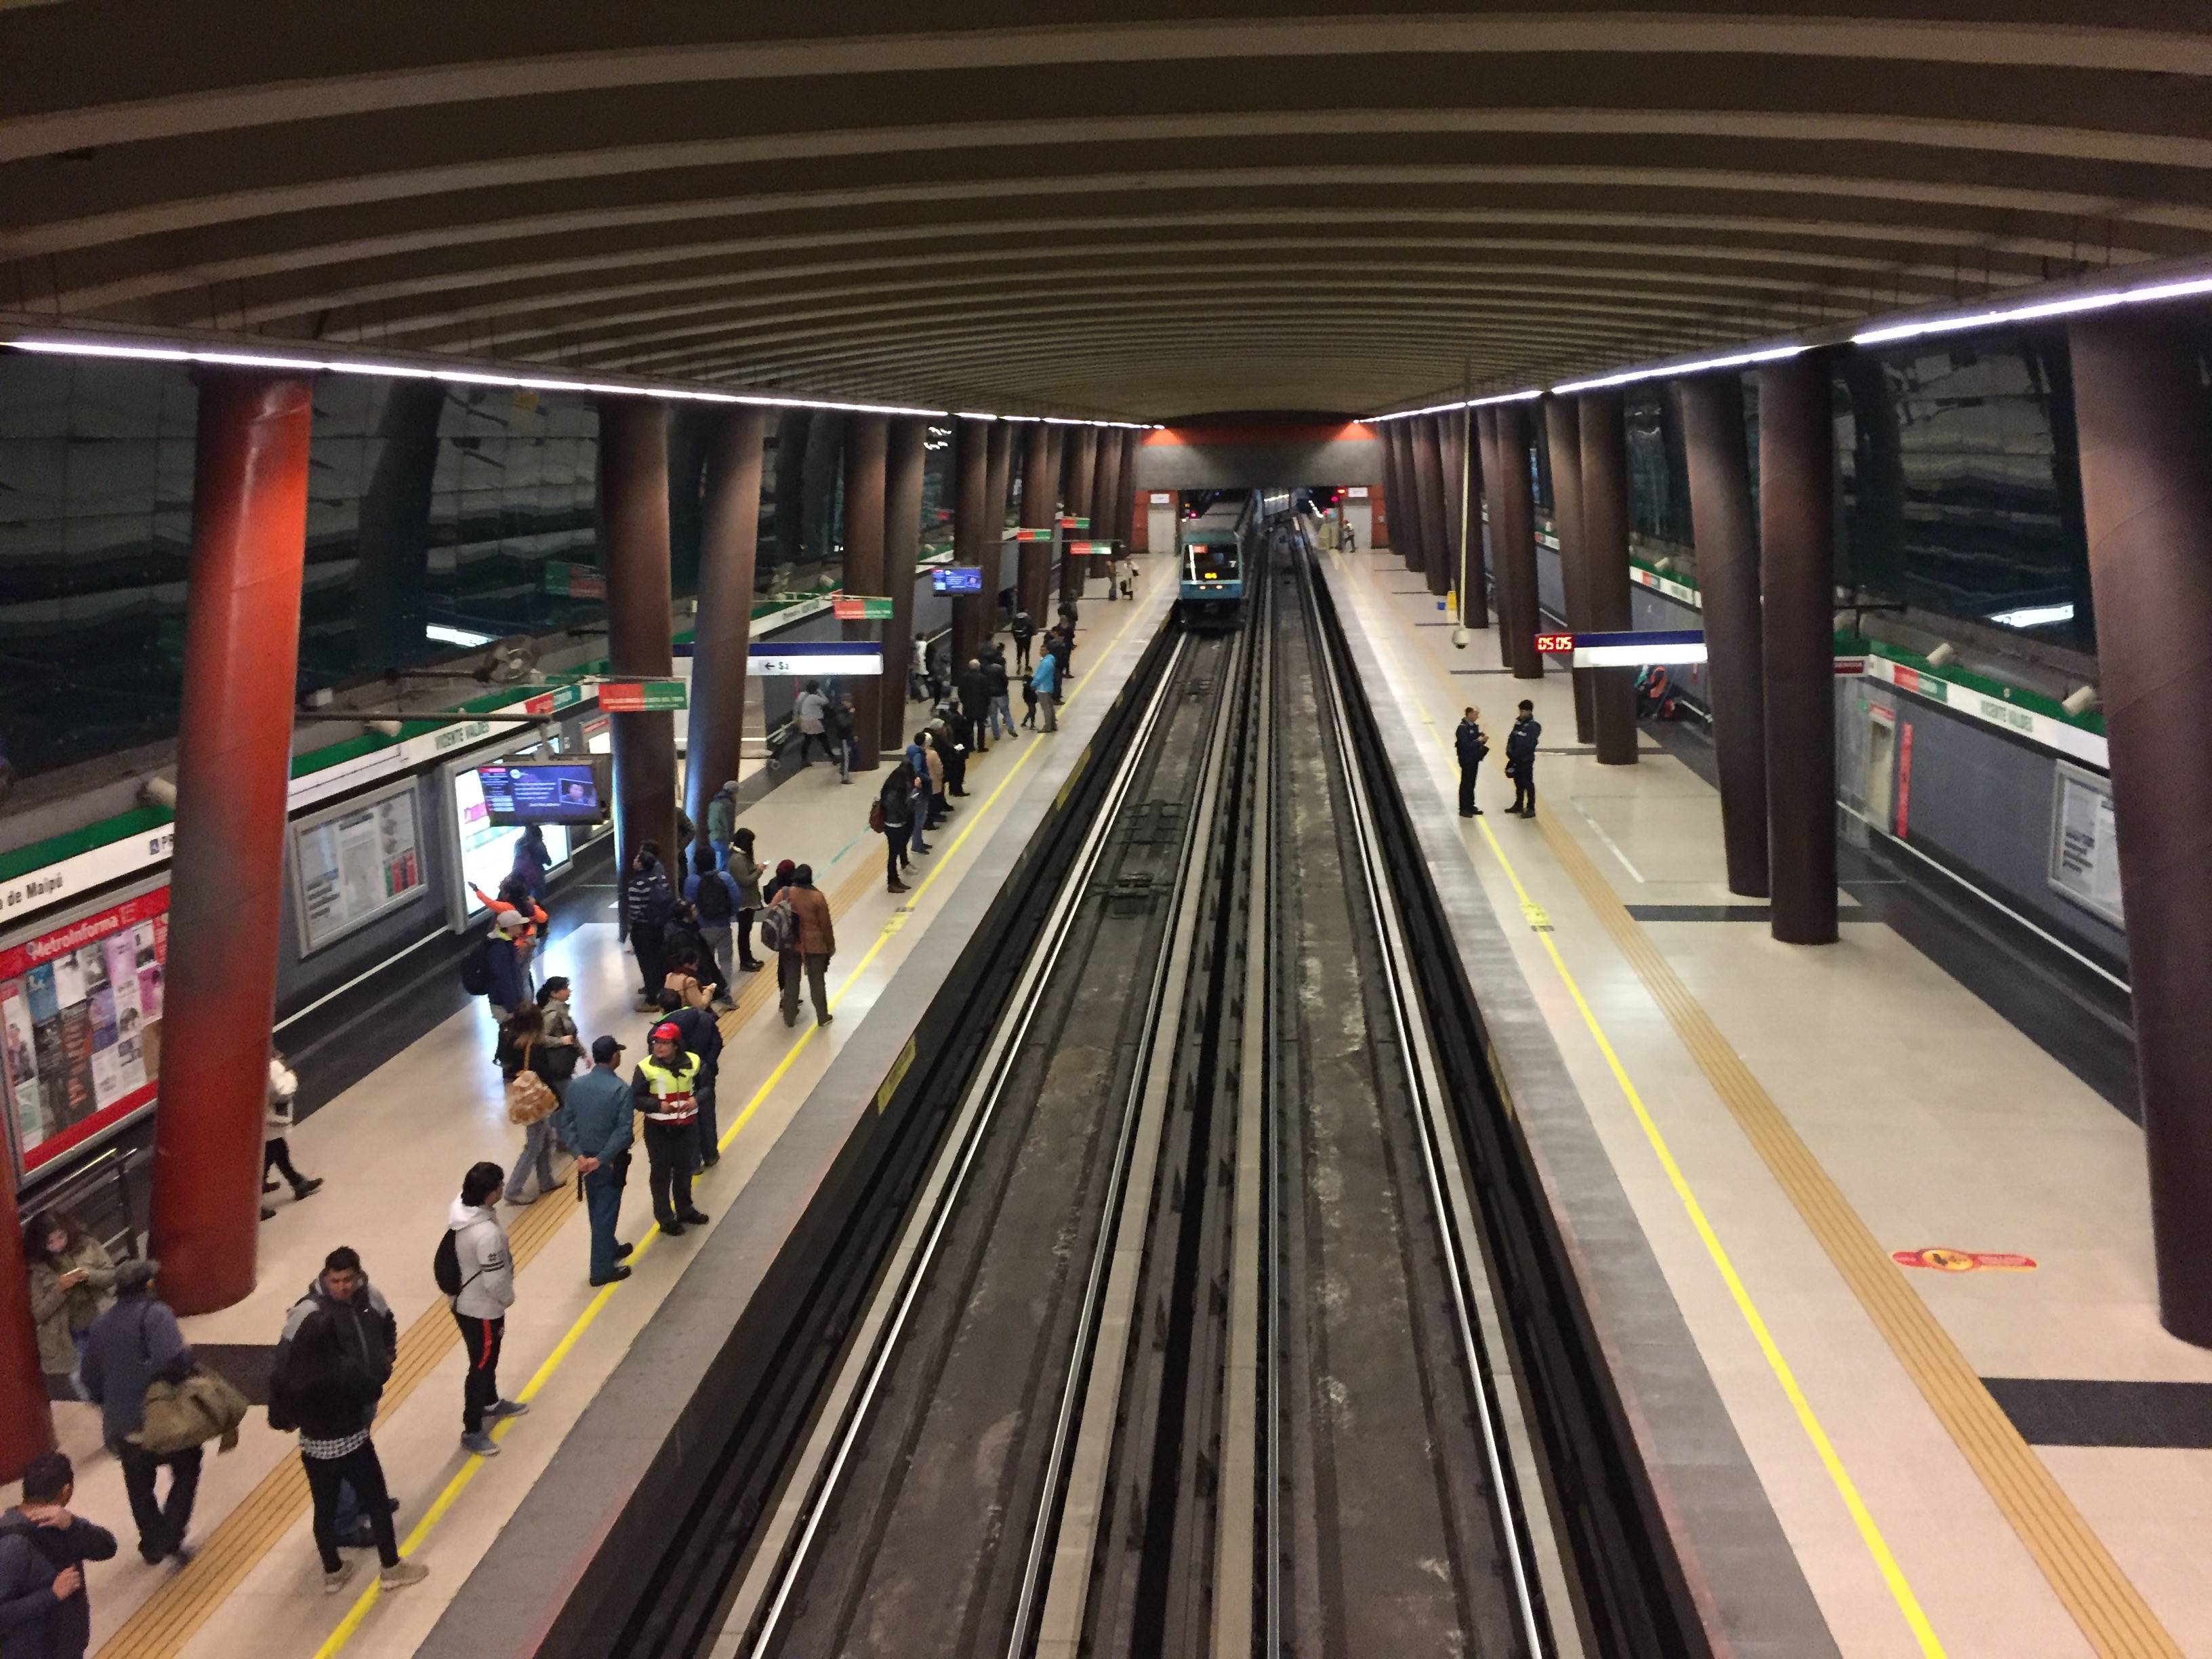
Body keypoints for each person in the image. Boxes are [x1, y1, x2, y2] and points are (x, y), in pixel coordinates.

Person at [268, 1309, 427, 1596]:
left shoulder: (286, 1377)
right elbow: (371, 1391)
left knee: (324, 1509)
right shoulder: (345, 1370)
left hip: (314, 1452)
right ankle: (391, 1568)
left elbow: (278, 1420)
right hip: (354, 1445)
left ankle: (333, 1571)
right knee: (377, 1502)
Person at [270, 1248, 399, 1553]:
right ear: (325, 1277)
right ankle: (344, 1526)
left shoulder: (370, 1297)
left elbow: (388, 1324)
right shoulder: (308, 1312)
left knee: (360, 1452)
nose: (341, 1287)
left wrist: (386, 1359)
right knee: (339, 1467)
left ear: (358, 1277)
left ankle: (364, 1503)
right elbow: (284, 1362)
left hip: (362, 1393)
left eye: (347, 1280)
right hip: (329, 1408)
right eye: (335, 1280)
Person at [79, 1259, 199, 1564]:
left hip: (123, 1424)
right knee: (187, 1465)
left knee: (138, 1483)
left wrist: (110, 1402)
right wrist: (188, 1357)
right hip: (161, 1419)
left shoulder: (101, 1325)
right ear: (147, 1285)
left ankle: (152, 1543)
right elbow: (172, 1362)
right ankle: (171, 1534)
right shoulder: (156, 1314)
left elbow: (90, 1376)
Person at [0, 1450, 117, 1659]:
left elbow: (107, 1548)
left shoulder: (63, 1524)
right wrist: (52, 1595)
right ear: (66, 1490)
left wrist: (73, 1524)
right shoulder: (12, 1544)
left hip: (65, 1648)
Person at [447, 1162, 525, 1458]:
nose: (503, 1190)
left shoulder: (461, 1210)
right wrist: (507, 1299)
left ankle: (490, 1401)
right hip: (481, 1309)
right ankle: (472, 1429)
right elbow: (495, 1281)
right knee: (481, 1365)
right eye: (499, 1186)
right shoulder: (486, 1235)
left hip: (464, 1302)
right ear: (489, 1194)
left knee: (486, 1359)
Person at [554, 1037, 636, 1286]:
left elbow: (566, 1123)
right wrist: (601, 1159)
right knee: (606, 1213)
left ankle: (609, 1247)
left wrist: (579, 1156)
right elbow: (623, 1132)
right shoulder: (621, 1090)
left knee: (597, 1208)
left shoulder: (576, 1087)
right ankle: (601, 1270)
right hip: (608, 1163)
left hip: (585, 1163)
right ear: (614, 1057)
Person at [24, 1212, 114, 1396]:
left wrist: (88, 1275)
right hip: (73, 1335)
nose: (58, 1245)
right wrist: (58, 1290)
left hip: (102, 1320)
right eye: (50, 1242)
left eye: (61, 1237)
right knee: (82, 1379)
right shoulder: (39, 1270)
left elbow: (111, 1275)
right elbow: (38, 1313)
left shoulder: (86, 1245)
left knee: (115, 1366)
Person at [632, 1022, 709, 1235]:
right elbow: (636, 1098)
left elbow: (706, 1087)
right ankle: (665, 1218)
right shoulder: (645, 1068)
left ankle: (685, 1209)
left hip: (686, 1126)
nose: (659, 1047)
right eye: (656, 1042)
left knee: (685, 1170)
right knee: (661, 1174)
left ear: (676, 1045)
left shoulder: (694, 1062)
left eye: (665, 1043)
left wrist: (696, 1100)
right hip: (658, 1130)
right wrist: (658, 1106)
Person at [496, 1003, 565, 1206]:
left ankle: (546, 1180)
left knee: (544, 1137)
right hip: (538, 1098)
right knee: (534, 1144)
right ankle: (513, 1189)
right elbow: (545, 1075)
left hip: (524, 1096)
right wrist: (557, 1099)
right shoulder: (534, 1047)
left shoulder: (510, 1038)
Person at [656, 983, 724, 1168]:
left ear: (662, 1008)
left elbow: (658, 1059)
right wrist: (707, 1065)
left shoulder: (660, 1031)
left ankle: (694, 1164)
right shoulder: (704, 1017)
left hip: (678, 1082)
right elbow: (717, 1042)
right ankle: (711, 1154)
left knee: (685, 1120)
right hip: (706, 1073)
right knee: (707, 1114)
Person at [262, 1050, 323, 1221]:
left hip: (265, 1118)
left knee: (276, 1150)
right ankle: (254, 1199)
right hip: (267, 1118)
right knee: (271, 1153)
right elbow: (281, 1090)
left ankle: (297, 1182)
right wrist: (290, 1076)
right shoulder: (270, 1067)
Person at [781, 864, 836, 1029]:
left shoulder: (785, 893)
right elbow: (825, 925)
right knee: (817, 980)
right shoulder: (817, 897)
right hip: (815, 944)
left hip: (790, 944)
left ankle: (789, 1018)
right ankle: (822, 1016)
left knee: (791, 980)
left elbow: (773, 912)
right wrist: (830, 945)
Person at [684, 842, 743, 994]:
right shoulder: (725, 878)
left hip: (701, 928)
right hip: (722, 926)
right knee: (725, 961)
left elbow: (688, 904)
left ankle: (708, 993)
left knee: (705, 962)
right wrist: (729, 914)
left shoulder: (691, 881)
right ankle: (726, 993)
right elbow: (736, 899)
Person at [621, 840, 675, 1008]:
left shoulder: (636, 884)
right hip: (659, 926)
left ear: (641, 865)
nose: (634, 860)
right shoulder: (661, 878)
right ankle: (662, 990)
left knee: (647, 963)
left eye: (637, 859)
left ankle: (652, 999)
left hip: (643, 928)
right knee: (659, 959)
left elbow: (635, 910)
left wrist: (630, 925)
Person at [483, 907, 533, 1032]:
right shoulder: (499, 949)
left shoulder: (505, 943)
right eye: (519, 925)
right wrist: (513, 1008)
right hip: (504, 1005)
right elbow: (504, 980)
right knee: (512, 1037)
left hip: (508, 1002)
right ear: (510, 927)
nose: (522, 929)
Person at [725, 826, 766, 973]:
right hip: (744, 902)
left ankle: (748, 957)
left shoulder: (740, 857)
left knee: (746, 930)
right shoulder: (737, 859)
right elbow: (745, 880)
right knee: (744, 931)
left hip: (748, 900)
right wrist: (759, 870)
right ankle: (745, 960)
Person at [876, 768, 914, 893]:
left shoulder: (891, 789)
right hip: (894, 826)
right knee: (893, 855)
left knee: (895, 853)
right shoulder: (895, 793)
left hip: (894, 824)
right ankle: (891, 882)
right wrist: (912, 799)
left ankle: (895, 880)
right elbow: (901, 808)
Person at [1504, 699, 1542, 818]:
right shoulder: (1518, 723)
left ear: (1529, 711)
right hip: (1516, 759)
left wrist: (1520, 755)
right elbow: (1512, 738)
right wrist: (1510, 752)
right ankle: (1519, 804)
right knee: (1518, 782)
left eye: (1522, 711)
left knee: (1527, 783)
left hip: (1526, 760)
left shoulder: (1533, 727)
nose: (1520, 713)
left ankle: (1531, 808)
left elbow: (1529, 744)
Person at [1454, 706, 1489, 819]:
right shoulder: (1462, 728)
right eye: (1475, 714)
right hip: (1467, 759)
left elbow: (1473, 742)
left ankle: (1470, 805)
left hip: (1474, 759)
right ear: (1469, 714)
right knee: (1466, 783)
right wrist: (1478, 741)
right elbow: (1466, 746)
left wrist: (1482, 740)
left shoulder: (1472, 727)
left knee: (1472, 783)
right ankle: (1464, 808)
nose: (1477, 717)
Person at [510, 825, 554, 912]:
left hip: (521, 878)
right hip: (536, 877)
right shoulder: (538, 844)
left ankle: (526, 916)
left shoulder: (518, 843)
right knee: (536, 899)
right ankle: (537, 915)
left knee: (524, 900)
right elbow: (548, 861)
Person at [793, 679, 833, 766]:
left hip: (804, 721)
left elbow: (796, 707)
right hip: (814, 722)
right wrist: (820, 691)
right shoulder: (814, 698)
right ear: (815, 688)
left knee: (807, 741)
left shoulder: (802, 695)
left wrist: (795, 718)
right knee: (823, 740)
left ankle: (804, 760)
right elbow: (826, 701)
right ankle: (833, 758)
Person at [957, 658, 992, 754]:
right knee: (981, 728)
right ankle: (981, 746)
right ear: (978, 668)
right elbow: (987, 693)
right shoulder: (983, 678)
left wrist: (964, 702)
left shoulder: (963, 678)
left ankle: (970, 746)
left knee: (969, 728)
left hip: (968, 707)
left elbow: (960, 692)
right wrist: (987, 704)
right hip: (981, 707)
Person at [704, 777, 741, 870]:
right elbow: (729, 823)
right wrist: (730, 838)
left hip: (713, 836)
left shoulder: (715, 801)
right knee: (723, 865)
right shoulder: (728, 804)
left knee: (717, 862)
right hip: (722, 838)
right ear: (733, 792)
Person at [983, 645, 1013, 741]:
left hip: (991, 695)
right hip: (1001, 693)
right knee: (1006, 711)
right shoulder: (1000, 668)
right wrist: (1004, 688)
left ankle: (996, 734)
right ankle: (1011, 728)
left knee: (993, 715)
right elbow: (1005, 680)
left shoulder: (984, 670)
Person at [1031, 645, 1061, 733]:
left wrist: (1034, 684)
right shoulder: (1050, 660)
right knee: (1050, 707)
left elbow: (1040, 675)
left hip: (1043, 688)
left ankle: (1048, 726)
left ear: (1048, 651)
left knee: (1046, 708)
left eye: (1044, 650)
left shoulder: (1045, 663)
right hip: (1048, 686)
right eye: (1041, 650)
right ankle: (1053, 725)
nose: (1041, 652)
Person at [1009, 609, 1036, 674]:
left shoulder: (1015, 619)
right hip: (1027, 639)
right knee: (1027, 652)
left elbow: (1013, 630)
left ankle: (1019, 664)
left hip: (1019, 639)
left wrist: (1016, 639)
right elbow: (1032, 630)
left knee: (1019, 652)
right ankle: (1027, 665)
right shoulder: (1028, 618)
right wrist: (1030, 637)